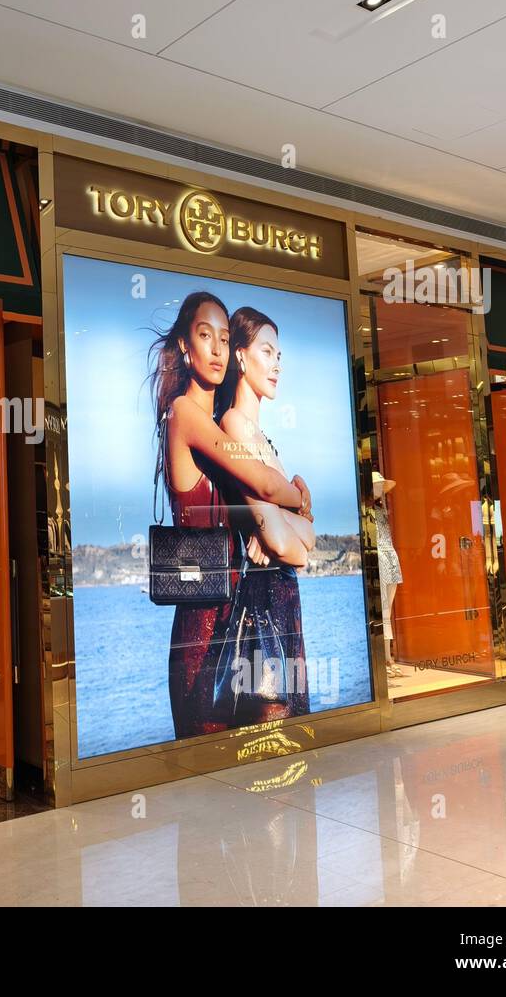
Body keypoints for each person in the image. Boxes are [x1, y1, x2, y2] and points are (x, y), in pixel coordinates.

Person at [148, 292, 311, 739]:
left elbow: (258, 502)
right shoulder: (184, 414)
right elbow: (260, 483)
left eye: (224, 338)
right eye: (206, 337)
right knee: (214, 777)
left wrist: (266, 519)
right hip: (204, 629)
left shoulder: (217, 422)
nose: (218, 350)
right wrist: (297, 493)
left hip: (240, 613)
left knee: (264, 771)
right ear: (185, 345)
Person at [213, 306, 313, 722]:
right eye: (267, 352)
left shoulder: (266, 441)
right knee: (270, 727)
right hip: (262, 601)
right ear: (240, 356)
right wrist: (292, 509)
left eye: (279, 357)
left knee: (290, 725)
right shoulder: (234, 424)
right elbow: (291, 544)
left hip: (282, 597)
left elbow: (305, 535)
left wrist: (284, 520)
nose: (277, 366)